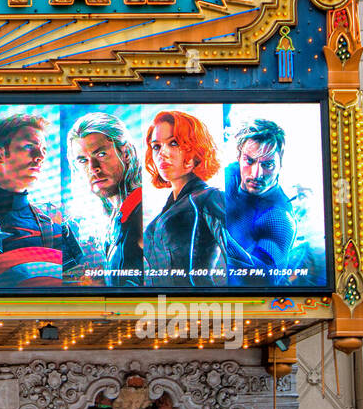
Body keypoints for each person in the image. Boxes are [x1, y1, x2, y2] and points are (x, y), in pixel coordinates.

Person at [0, 113, 81, 287]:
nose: (41, 156)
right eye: (29, 147)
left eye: (44, 150)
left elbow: (76, 286)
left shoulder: (54, 223)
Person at [142, 110, 227, 285]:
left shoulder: (210, 198)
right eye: (156, 146)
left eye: (174, 143)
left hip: (202, 307)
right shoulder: (168, 208)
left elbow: (243, 267)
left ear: (194, 148)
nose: (162, 153)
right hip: (161, 307)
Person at [66, 112, 143, 285]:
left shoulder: (142, 210)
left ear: (126, 153)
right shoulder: (118, 214)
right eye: (83, 160)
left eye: (101, 154)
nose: (93, 168)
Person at [224, 118, 300, 285]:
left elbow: (265, 278)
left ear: (281, 164)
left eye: (268, 165)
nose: (257, 173)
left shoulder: (279, 219)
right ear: (239, 157)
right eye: (249, 161)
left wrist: (219, 236)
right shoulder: (230, 174)